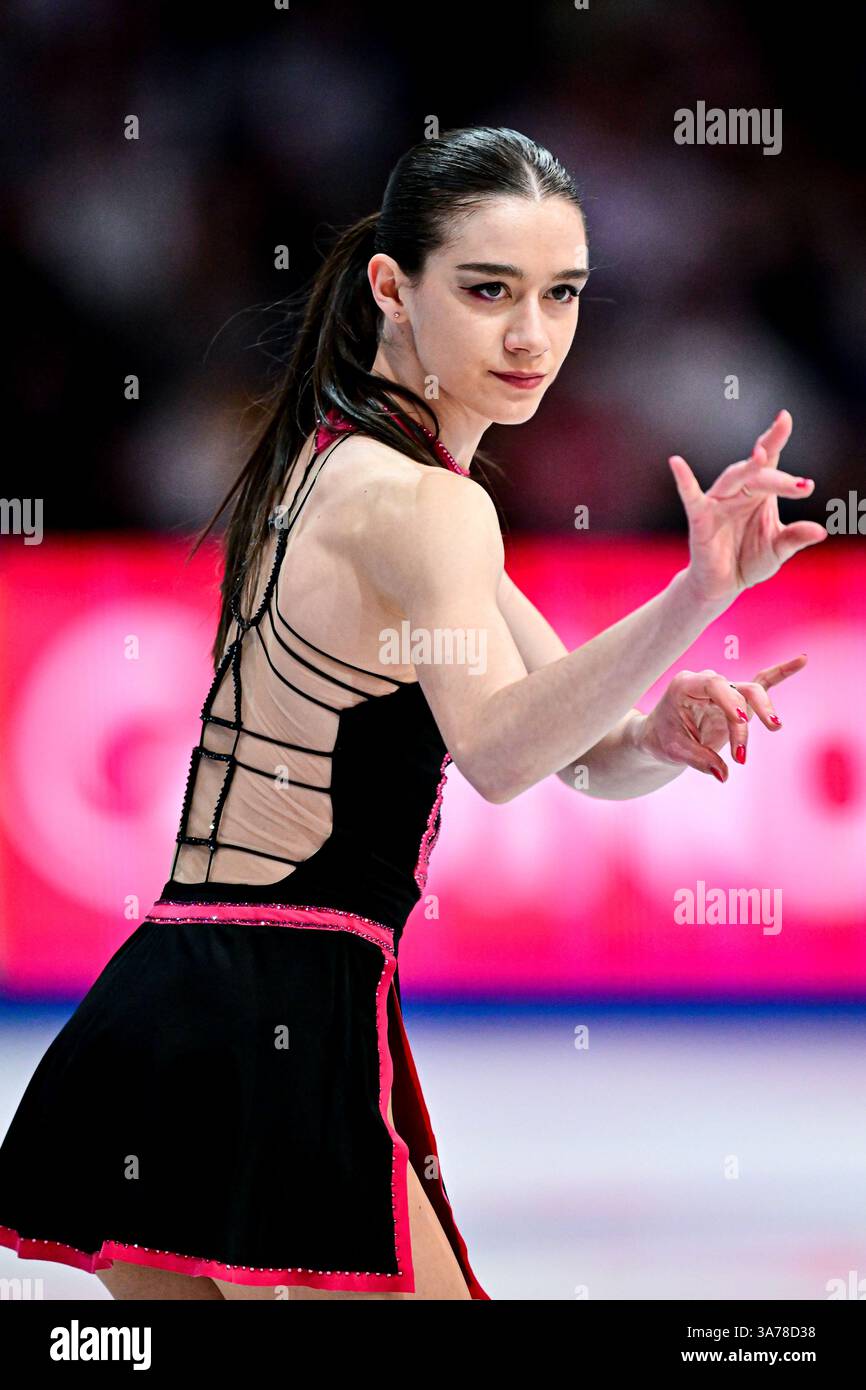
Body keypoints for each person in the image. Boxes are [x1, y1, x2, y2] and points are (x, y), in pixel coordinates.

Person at [0, 126, 826, 1302]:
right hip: (278, 1021)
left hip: (171, 1007)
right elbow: (496, 753)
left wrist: (651, 734)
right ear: (392, 285)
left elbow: (576, 750)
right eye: (487, 291)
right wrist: (695, 593)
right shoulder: (427, 506)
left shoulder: (339, 462)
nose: (530, 335)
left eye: (560, 294)